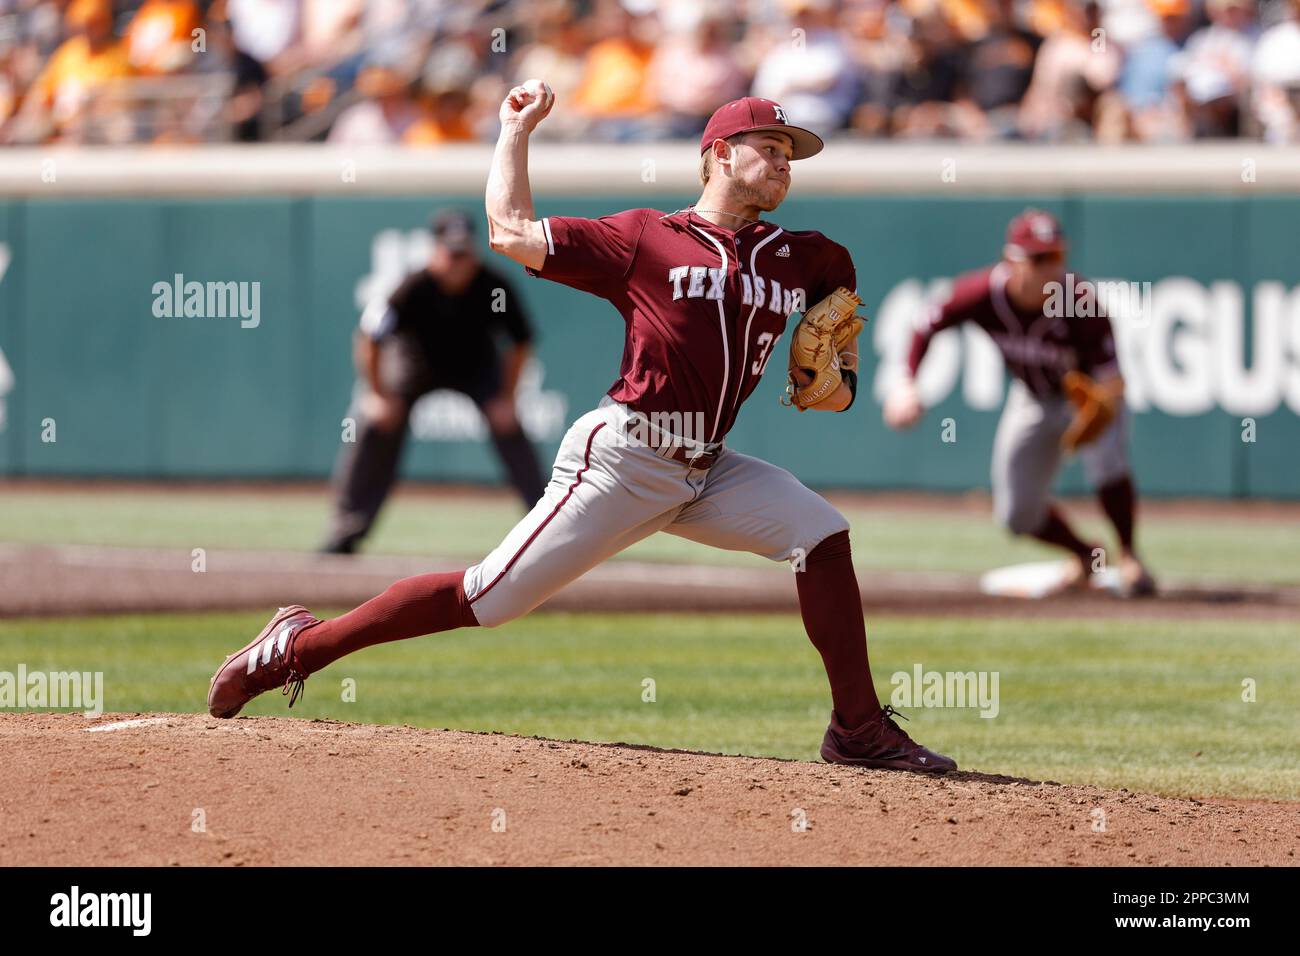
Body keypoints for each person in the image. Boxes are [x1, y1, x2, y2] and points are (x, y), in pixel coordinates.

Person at [211, 88, 957, 775]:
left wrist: (840, 374)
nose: (784, 165)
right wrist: (513, 131)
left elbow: (838, 341)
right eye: (771, 146)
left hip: (710, 467)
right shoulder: (644, 239)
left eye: (792, 155)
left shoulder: (806, 256)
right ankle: (297, 646)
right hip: (624, 459)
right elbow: (508, 231)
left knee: (821, 535)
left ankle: (857, 729)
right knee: (489, 598)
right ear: (720, 153)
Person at [882, 209, 1155, 596]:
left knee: (1108, 464)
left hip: (1088, 398)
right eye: (1038, 258)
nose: (1050, 267)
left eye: (1055, 256)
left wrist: (1098, 411)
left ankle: (1129, 556)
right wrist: (905, 383)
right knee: (1016, 515)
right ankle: (1086, 554)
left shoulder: (1079, 301)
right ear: (1012, 261)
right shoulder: (984, 293)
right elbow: (926, 323)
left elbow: (1114, 383)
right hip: (1034, 399)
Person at [320, 208, 546, 555]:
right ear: (435, 251)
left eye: (464, 253)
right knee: (377, 424)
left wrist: (507, 396)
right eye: (451, 253)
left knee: (508, 424)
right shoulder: (413, 286)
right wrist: (378, 394)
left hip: (475, 365)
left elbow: (521, 342)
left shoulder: (493, 286)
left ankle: (547, 523)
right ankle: (346, 528)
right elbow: (369, 336)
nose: (458, 262)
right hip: (415, 365)